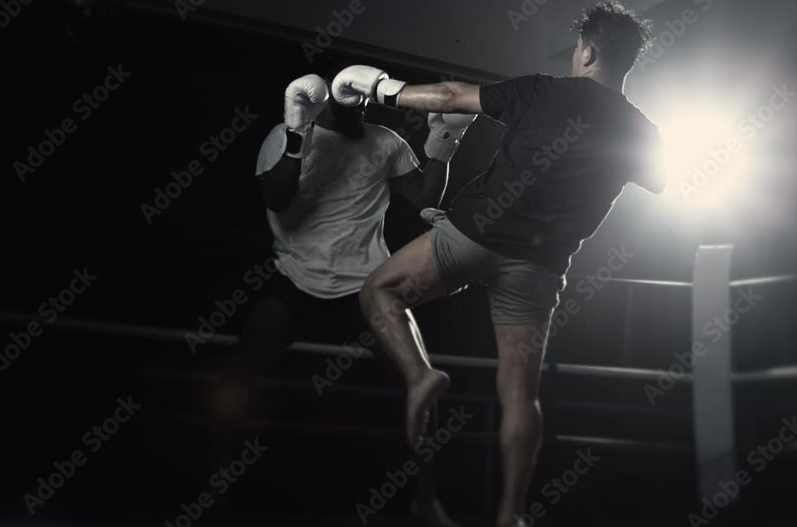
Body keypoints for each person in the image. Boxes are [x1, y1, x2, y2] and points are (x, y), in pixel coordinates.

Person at [330, 3, 663, 526]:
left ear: (587, 50)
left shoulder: (541, 91)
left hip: (474, 236)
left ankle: (419, 375)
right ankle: (511, 517)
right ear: (627, 61)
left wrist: (381, 89)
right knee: (520, 395)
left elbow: (448, 96)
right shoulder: (640, 130)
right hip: (540, 268)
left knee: (379, 292)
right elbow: (660, 181)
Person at [209, 66, 473, 527]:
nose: (360, 107)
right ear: (328, 99)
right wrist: (297, 135)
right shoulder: (285, 133)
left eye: (367, 100)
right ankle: (213, 488)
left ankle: (426, 499)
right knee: (236, 375)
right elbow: (275, 197)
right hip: (296, 278)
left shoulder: (385, 140)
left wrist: (444, 142)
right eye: (353, 98)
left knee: (422, 381)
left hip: (369, 285)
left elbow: (425, 197)